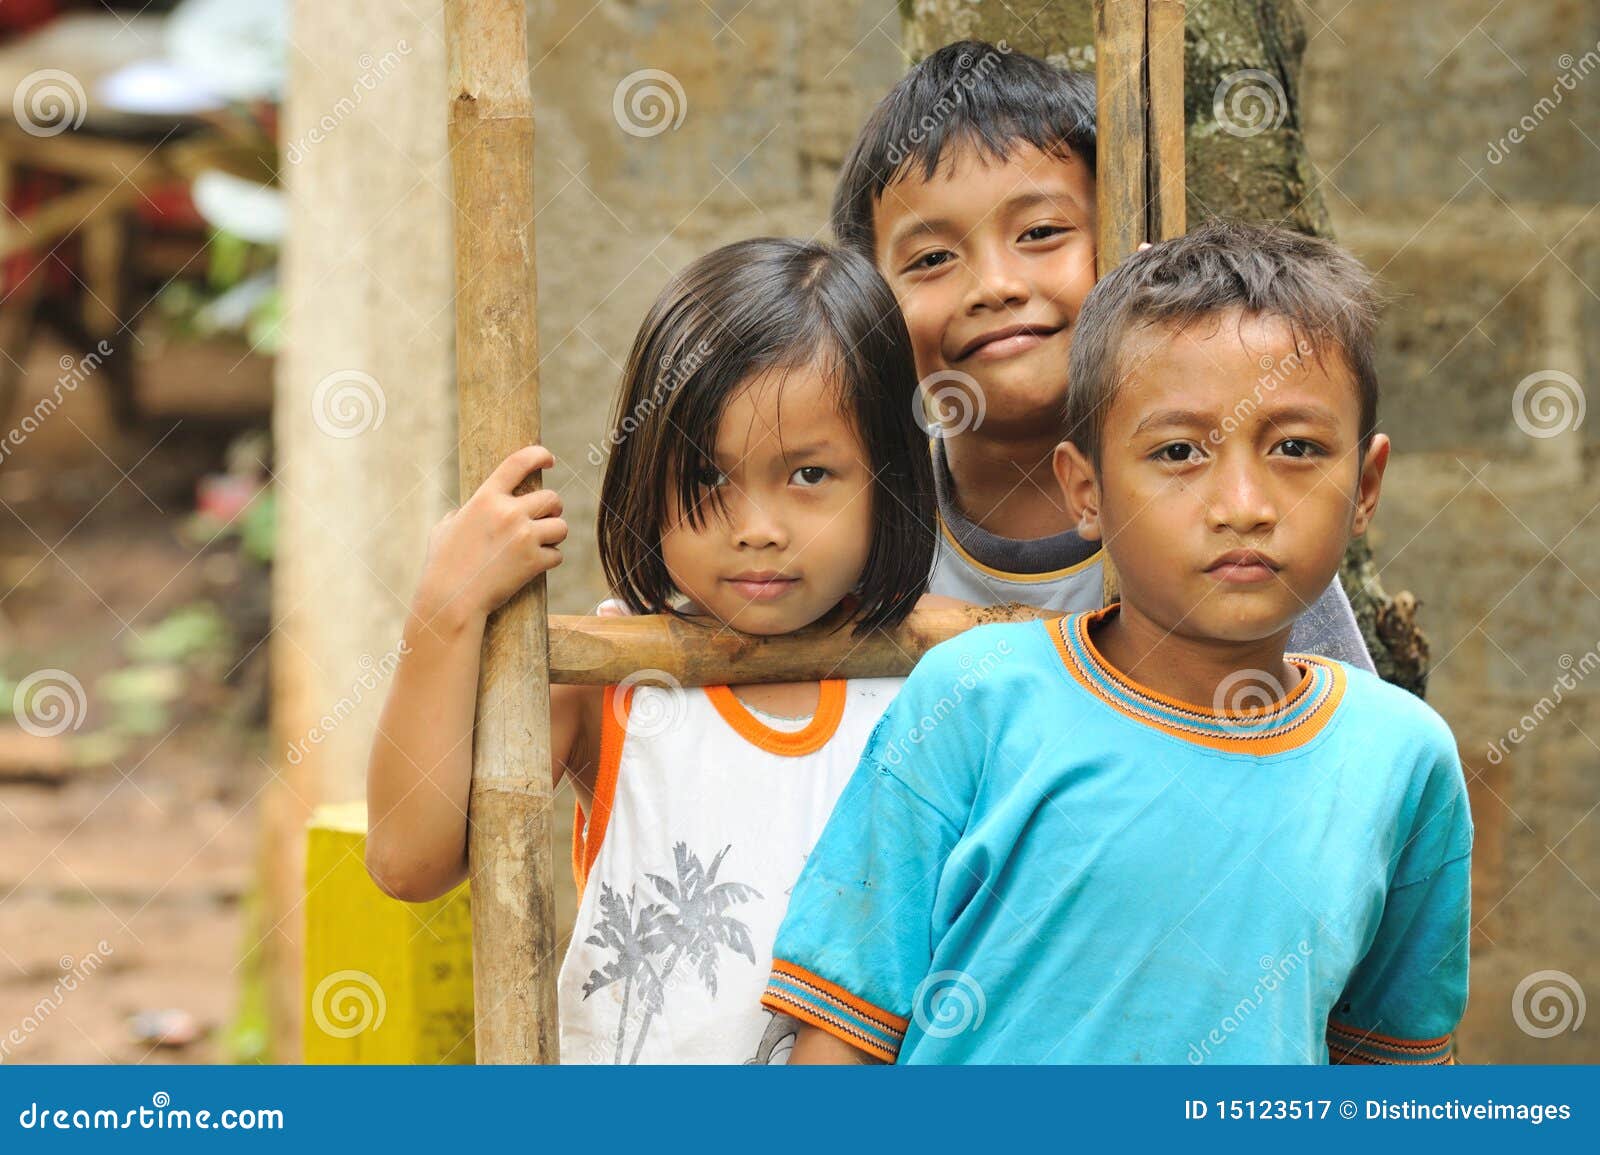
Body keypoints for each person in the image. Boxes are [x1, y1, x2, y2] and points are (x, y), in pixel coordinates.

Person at [763, 220, 1472, 1064]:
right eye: (1178, 451)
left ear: (1365, 485)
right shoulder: (975, 699)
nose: (1242, 502)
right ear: (1086, 491)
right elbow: (837, 1040)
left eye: (1296, 448)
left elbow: (1393, 1076)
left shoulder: (1402, 760)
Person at [366, 237, 944, 1064]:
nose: (758, 527)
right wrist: (445, 611)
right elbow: (405, 858)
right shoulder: (611, 684)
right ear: (647, 475)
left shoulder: (934, 678)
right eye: (710, 476)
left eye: (810, 474)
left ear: (888, 478)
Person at [831, 41, 1374, 669]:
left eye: (1040, 233)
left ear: (1127, 247)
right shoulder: (858, 530)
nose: (995, 286)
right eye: (931, 260)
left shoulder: (1236, 513)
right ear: (871, 305)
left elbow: (1326, 742)